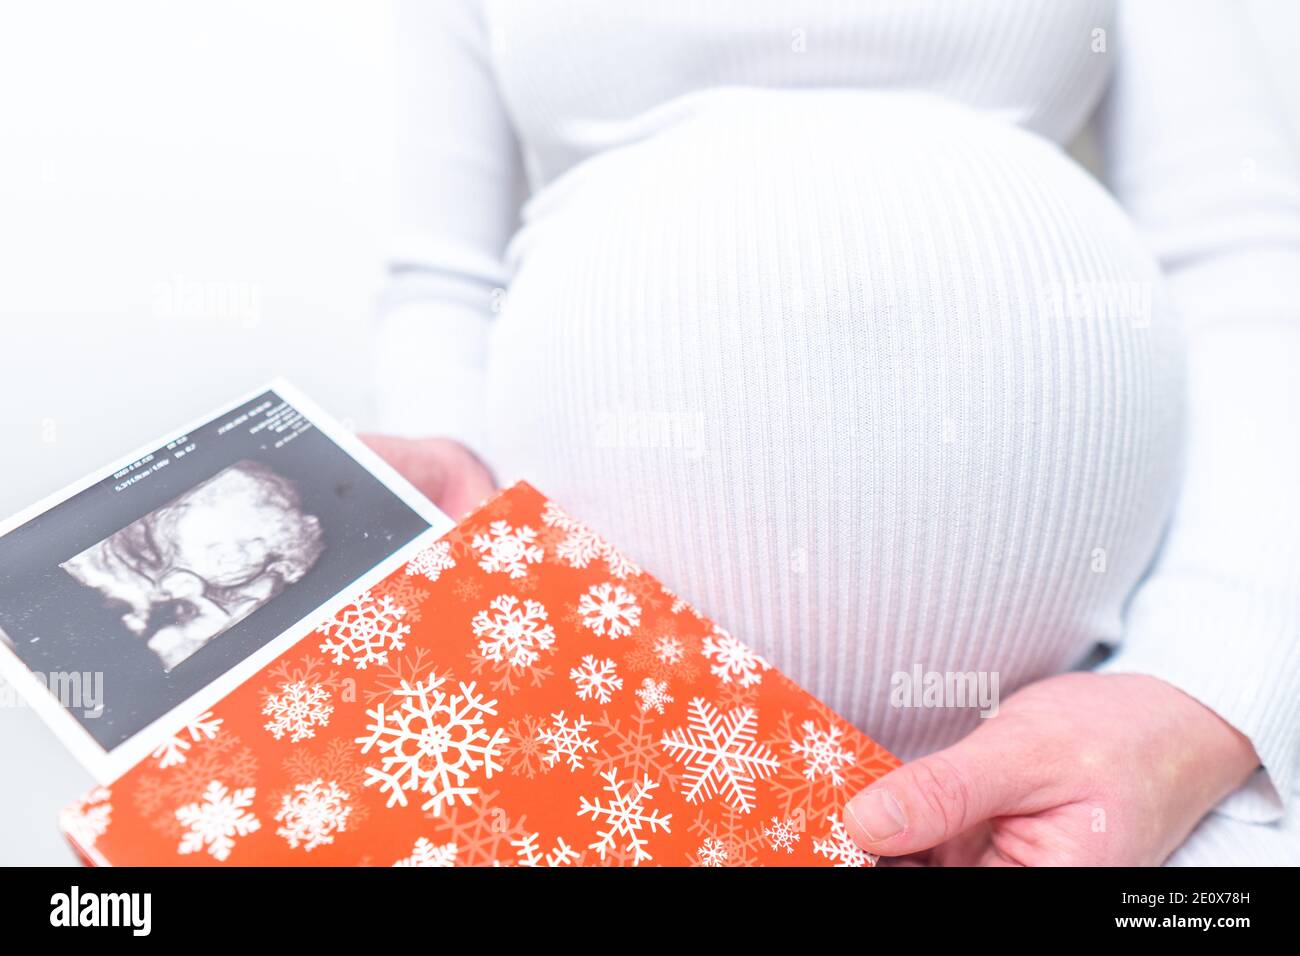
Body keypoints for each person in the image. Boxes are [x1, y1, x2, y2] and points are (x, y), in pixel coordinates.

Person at [365, 0, 1300, 865]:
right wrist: (454, 511)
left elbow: (1236, 247)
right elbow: (443, 279)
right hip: (602, 751)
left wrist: (1195, 699)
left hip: (1098, 791)